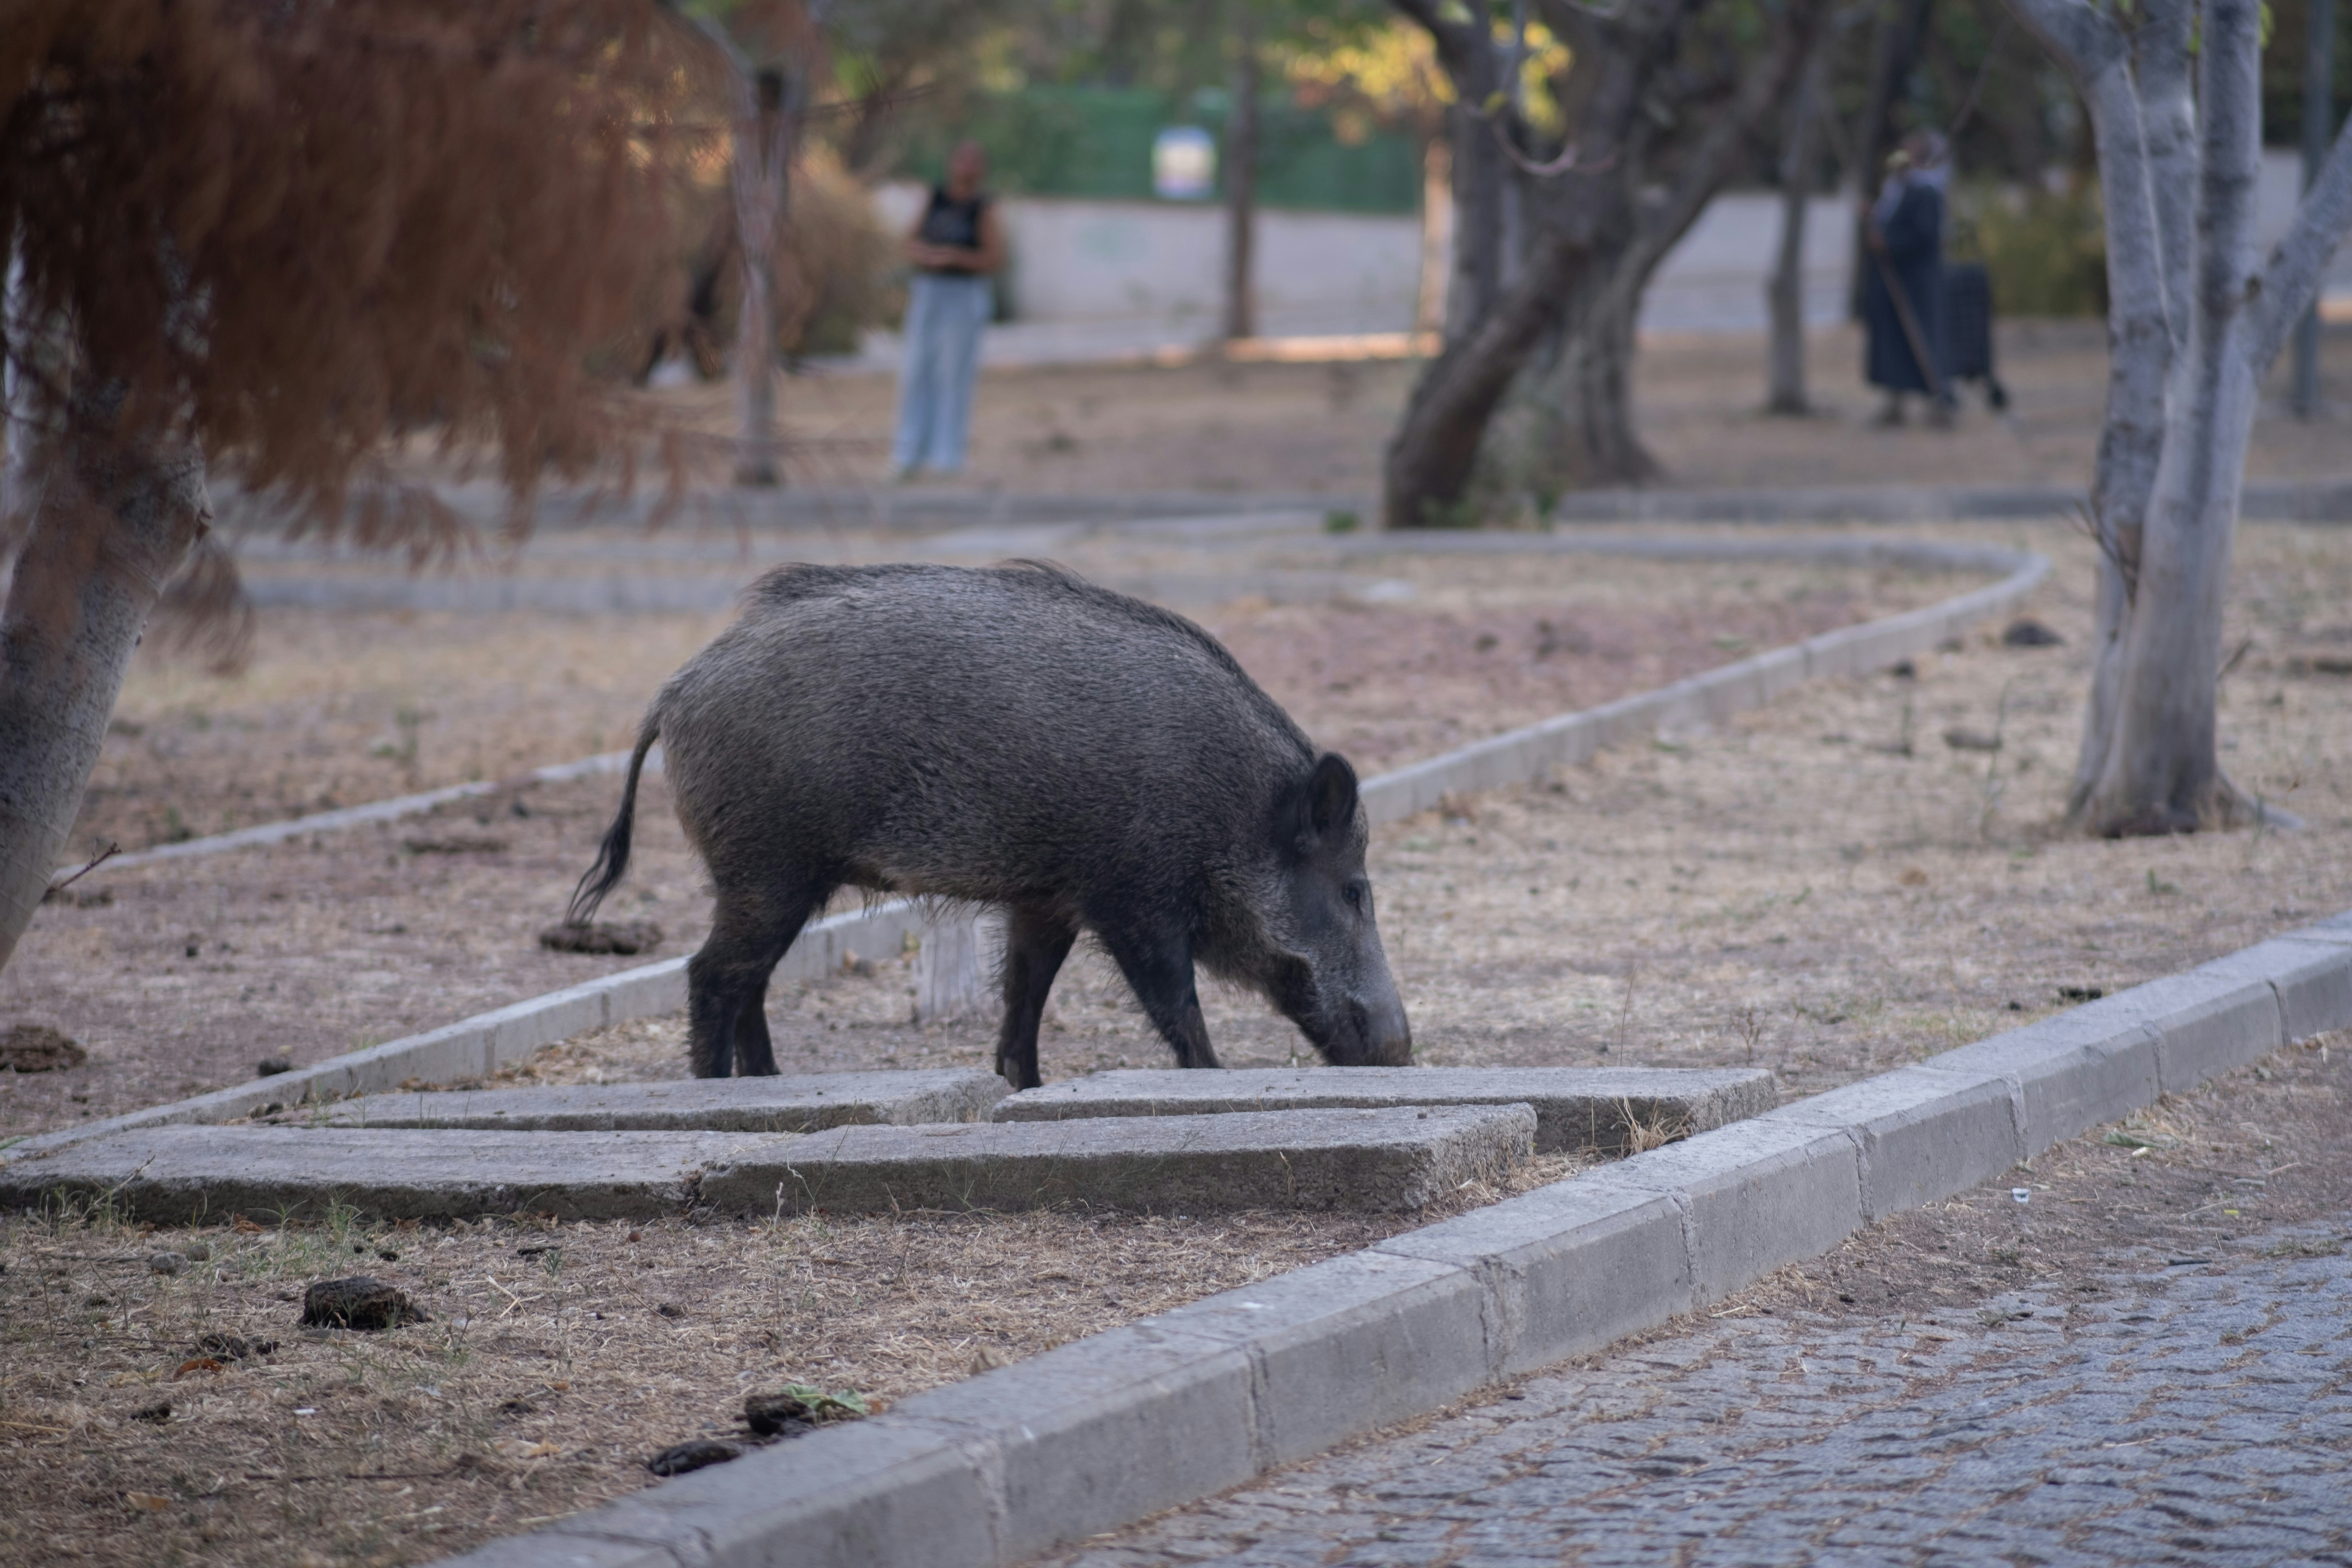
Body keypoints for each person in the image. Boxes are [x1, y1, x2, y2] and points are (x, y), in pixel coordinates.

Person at [891, 140, 1005, 479]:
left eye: (974, 161)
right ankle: (908, 452)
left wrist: (956, 258)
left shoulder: (984, 208)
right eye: (962, 159)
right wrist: (924, 255)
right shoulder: (935, 198)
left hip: (964, 292)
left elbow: (995, 258)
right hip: (930, 290)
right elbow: (909, 241)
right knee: (916, 370)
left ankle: (947, 456)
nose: (967, 167)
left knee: (954, 374)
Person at [1861, 130, 1952, 429]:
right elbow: (1887, 221)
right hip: (1893, 280)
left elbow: (1924, 235)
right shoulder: (1897, 187)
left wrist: (1889, 244)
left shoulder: (1928, 191)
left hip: (1917, 282)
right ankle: (1894, 402)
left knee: (1923, 339)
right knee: (1893, 343)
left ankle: (1939, 402)